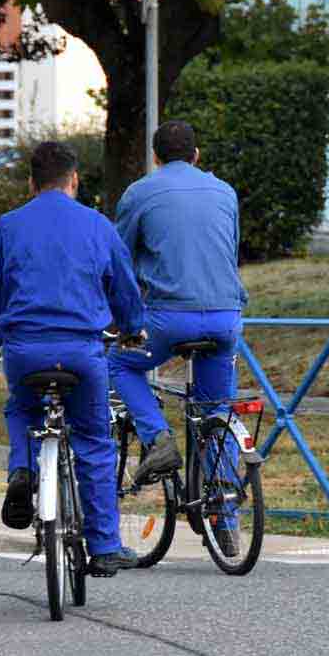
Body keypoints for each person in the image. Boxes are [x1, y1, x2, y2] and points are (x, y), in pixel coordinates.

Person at [0, 141, 147, 576]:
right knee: (93, 440)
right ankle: (105, 545)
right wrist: (132, 327)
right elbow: (123, 286)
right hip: (81, 350)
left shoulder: (8, 226)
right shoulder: (97, 224)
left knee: (22, 407)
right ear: (74, 180)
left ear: (31, 183)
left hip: (24, 350)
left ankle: (22, 470)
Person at [106, 119, 249, 552]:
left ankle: (157, 436)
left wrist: (118, 315)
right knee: (215, 410)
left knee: (118, 364)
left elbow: (117, 258)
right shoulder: (225, 191)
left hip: (169, 319)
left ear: (155, 157)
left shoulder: (141, 193)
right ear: (197, 154)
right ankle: (225, 518)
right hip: (226, 317)